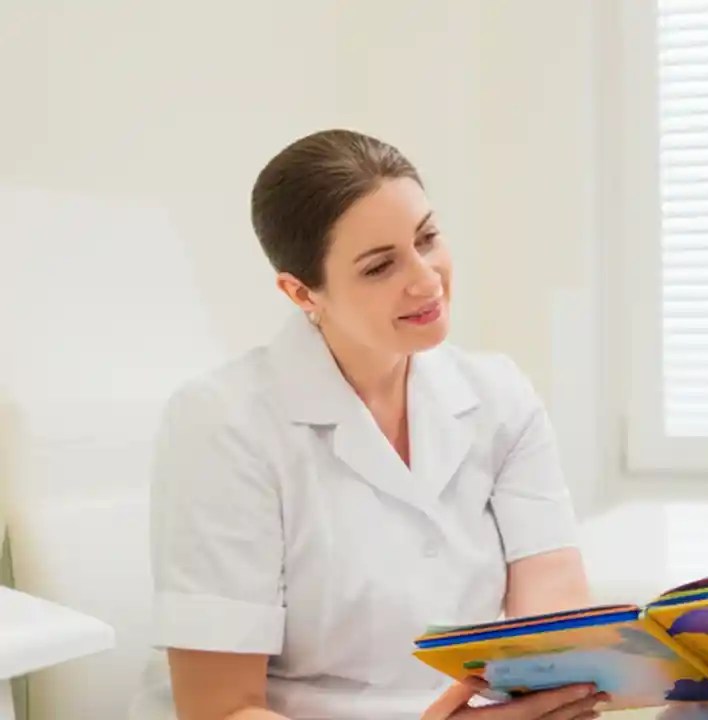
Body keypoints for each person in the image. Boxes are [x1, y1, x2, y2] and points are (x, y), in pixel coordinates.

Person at [128, 129, 609, 720]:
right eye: (380, 266)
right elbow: (219, 710)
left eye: (427, 237)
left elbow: (555, 636)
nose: (426, 278)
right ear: (301, 291)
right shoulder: (224, 422)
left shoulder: (499, 396)